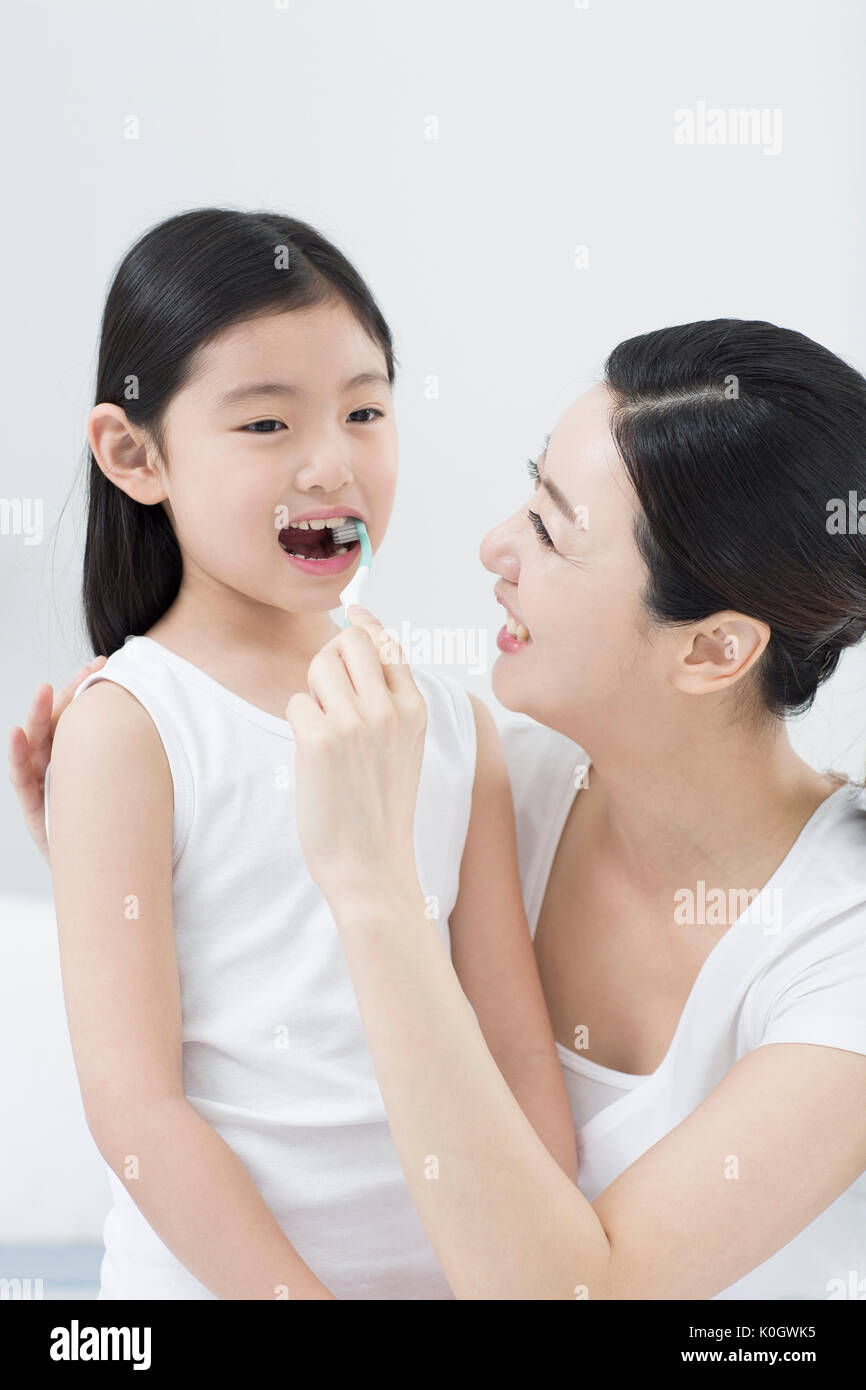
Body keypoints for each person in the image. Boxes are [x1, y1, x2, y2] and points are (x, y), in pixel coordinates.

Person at [8, 207, 575, 1300]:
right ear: (135, 454)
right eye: (266, 425)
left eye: (364, 410)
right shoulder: (129, 726)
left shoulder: (453, 726)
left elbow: (513, 1057)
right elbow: (136, 1108)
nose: (331, 463)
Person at [280, 319, 866, 1299]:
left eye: (550, 530)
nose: (494, 547)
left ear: (712, 650)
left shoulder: (836, 953)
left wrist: (375, 893)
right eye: (529, 489)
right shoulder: (495, 785)